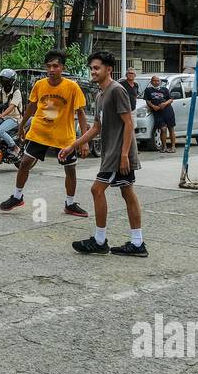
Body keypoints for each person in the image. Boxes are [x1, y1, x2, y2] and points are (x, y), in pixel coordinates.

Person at [61, 52, 146, 256]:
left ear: (108, 69)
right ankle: (137, 243)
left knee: (96, 190)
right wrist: (72, 145)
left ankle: (100, 241)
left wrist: (125, 155)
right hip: (111, 153)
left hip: (118, 154)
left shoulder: (117, 90)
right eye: (91, 68)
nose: (93, 71)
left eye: (97, 68)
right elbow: (96, 127)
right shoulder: (100, 94)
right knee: (127, 192)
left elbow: (128, 124)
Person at [0, 50, 89, 218]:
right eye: (49, 66)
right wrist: (22, 125)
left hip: (64, 135)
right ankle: (17, 197)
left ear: (62, 67)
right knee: (24, 163)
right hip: (40, 131)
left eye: (56, 66)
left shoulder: (72, 87)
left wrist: (84, 140)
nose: (52, 69)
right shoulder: (40, 85)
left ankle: (70, 204)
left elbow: (81, 113)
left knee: (70, 170)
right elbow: (32, 106)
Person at [141, 75, 176, 153]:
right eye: (154, 80)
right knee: (163, 129)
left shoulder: (165, 89)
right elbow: (147, 101)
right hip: (157, 112)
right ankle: (164, 147)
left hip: (168, 111)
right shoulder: (148, 90)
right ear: (151, 82)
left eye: (157, 81)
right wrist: (153, 106)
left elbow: (170, 99)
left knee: (171, 128)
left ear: (160, 81)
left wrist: (164, 104)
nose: (156, 82)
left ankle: (173, 147)